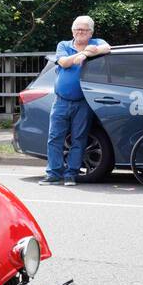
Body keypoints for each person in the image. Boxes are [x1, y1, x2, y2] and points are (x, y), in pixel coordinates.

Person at [42, 15, 110, 186]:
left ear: (91, 32)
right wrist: (81, 55)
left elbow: (107, 48)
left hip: (84, 102)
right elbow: (64, 62)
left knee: (79, 139)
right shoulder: (63, 45)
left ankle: (71, 174)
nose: (80, 32)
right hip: (61, 101)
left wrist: (86, 52)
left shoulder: (96, 42)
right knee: (54, 138)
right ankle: (53, 173)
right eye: (77, 29)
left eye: (84, 30)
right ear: (72, 30)